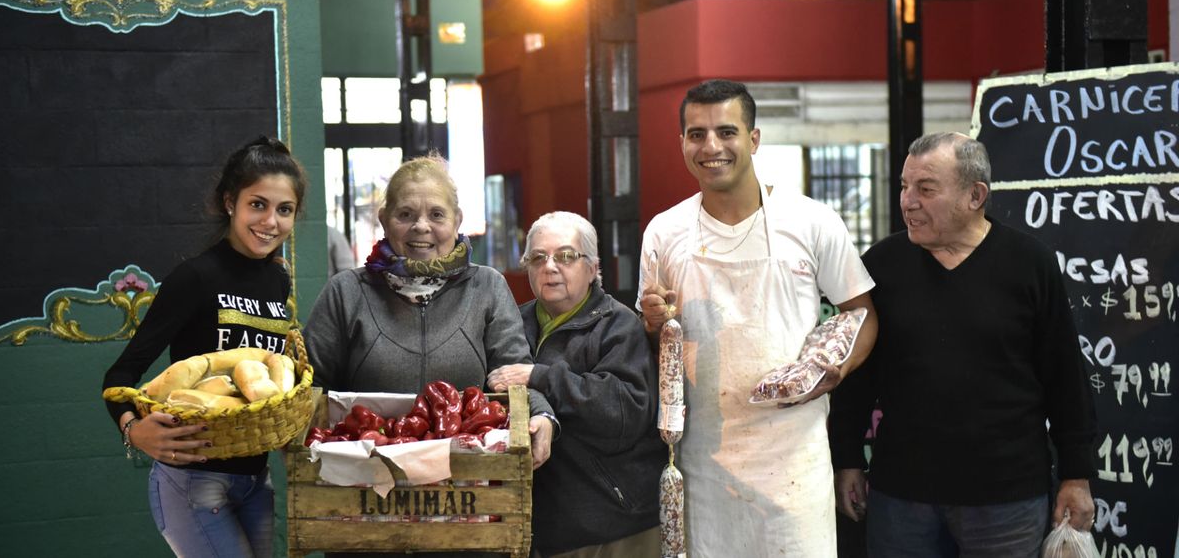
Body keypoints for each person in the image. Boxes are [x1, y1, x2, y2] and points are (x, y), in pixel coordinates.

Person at [637, 79, 878, 556]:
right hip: (703, 460)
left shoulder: (811, 221)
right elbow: (652, 346)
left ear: (754, 139)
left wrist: (838, 367)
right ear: (682, 143)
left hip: (795, 457)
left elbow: (862, 313)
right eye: (696, 134)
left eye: (726, 132)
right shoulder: (664, 232)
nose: (711, 147)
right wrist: (651, 323)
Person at [827, 132, 1097, 557]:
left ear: (975, 196)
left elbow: (1065, 378)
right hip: (902, 496)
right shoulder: (882, 265)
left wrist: (1076, 475)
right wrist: (845, 459)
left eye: (926, 189)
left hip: (1007, 498)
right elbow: (857, 375)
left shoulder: (1030, 264)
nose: (908, 201)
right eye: (904, 186)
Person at [102, 135, 308, 557]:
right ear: (230, 202)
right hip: (192, 480)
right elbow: (121, 374)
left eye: (284, 209)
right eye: (258, 204)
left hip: (256, 479)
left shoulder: (278, 279)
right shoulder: (195, 277)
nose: (271, 221)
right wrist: (132, 431)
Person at [304, 154, 557, 469]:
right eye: (405, 214)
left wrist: (542, 414)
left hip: (467, 477)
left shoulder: (487, 287)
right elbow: (310, 386)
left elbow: (514, 374)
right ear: (384, 219)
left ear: (457, 220)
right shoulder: (346, 292)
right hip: (364, 478)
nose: (421, 226)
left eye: (437, 214)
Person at [488, 212, 667, 558]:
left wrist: (538, 376)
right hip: (541, 527)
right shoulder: (511, 324)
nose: (550, 267)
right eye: (538, 258)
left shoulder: (618, 325)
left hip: (615, 525)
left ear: (592, 267)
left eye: (566, 256)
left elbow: (623, 412)